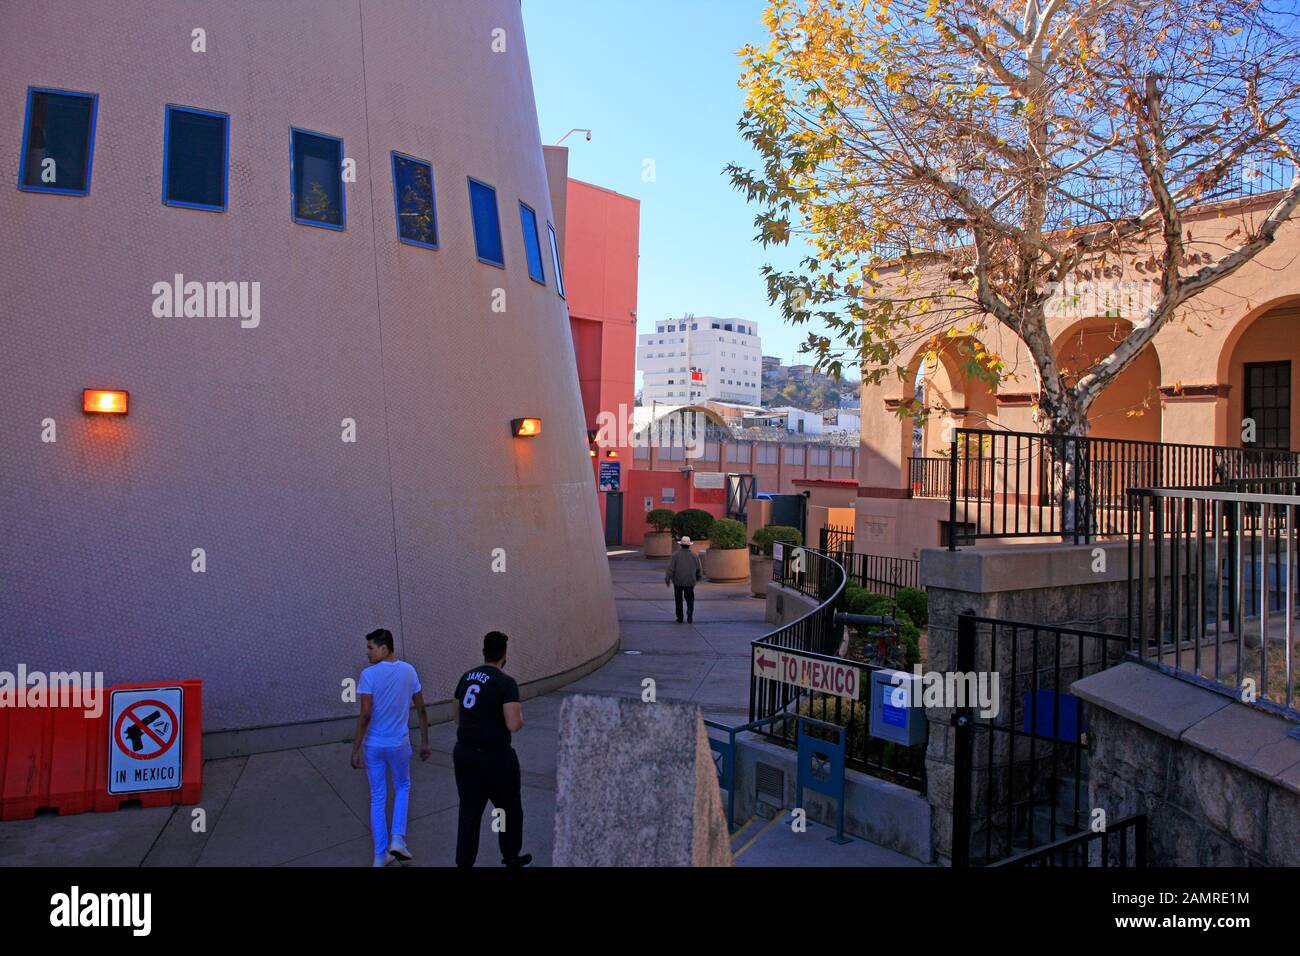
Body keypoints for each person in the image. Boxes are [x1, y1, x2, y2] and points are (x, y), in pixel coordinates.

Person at [351, 628, 430, 867]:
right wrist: (425, 741)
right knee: (403, 786)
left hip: (374, 745)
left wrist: (355, 748)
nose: (367, 652)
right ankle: (398, 839)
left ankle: (379, 856)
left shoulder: (368, 675)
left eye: (371, 648)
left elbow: (365, 715)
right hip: (399, 744)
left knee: (377, 796)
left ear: (384, 648)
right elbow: (422, 710)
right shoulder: (409, 671)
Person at [452, 631, 531, 868]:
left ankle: (464, 863)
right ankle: (511, 857)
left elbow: (456, 716)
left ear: (484, 651)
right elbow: (513, 724)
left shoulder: (466, 677)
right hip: (496, 758)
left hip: (465, 755)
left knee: (469, 813)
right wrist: (520, 718)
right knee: (508, 810)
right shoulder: (506, 683)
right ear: (504, 655)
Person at [665, 536, 703, 623]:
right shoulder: (694, 556)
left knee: (678, 600)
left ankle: (680, 617)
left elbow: (671, 568)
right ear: (689, 545)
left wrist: (668, 578)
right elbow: (699, 569)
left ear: (681, 545)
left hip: (678, 581)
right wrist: (698, 577)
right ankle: (690, 613)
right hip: (690, 581)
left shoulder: (675, 555)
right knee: (690, 599)